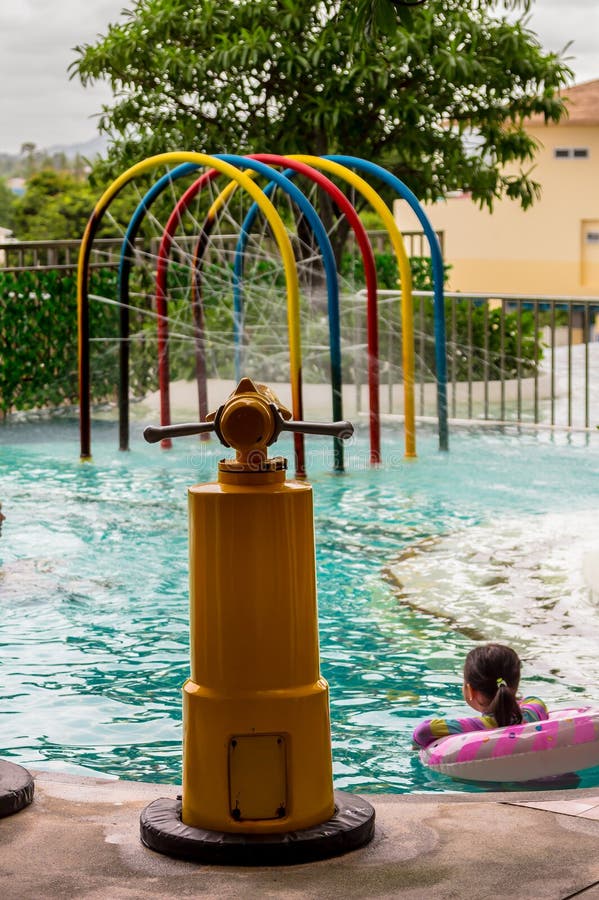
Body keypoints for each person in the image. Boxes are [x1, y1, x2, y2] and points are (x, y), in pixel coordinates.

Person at [412, 642, 549, 749]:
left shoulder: (475, 727)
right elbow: (530, 700)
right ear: (515, 684)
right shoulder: (535, 709)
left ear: (469, 690)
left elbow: (423, 730)